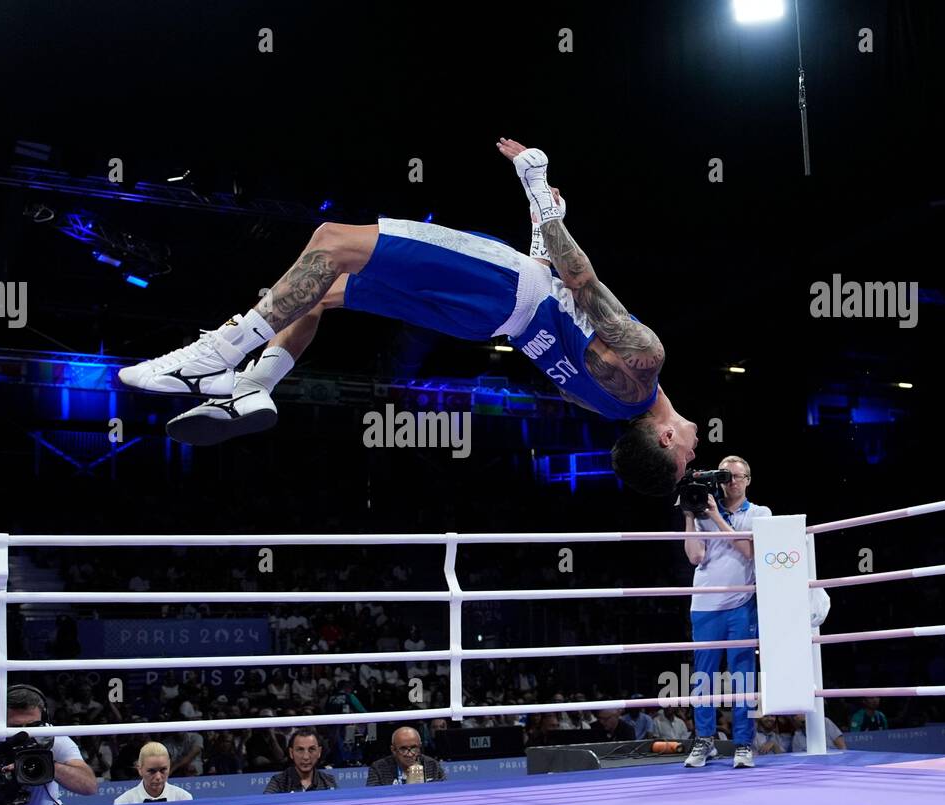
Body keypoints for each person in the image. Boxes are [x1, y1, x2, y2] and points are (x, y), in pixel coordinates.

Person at [117, 139, 698, 495]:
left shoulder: (643, 363)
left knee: (331, 241)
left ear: (665, 436)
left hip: (501, 288)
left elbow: (579, 283)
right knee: (322, 292)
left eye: (685, 456)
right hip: (489, 321)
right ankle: (254, 387)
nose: (696, 449)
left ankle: (215, 357)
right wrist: (540, 223)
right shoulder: (599, 404)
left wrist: (538, 188)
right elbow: (559, 309)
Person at [681, 455, 771, 771]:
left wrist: (718, 518)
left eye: (736, 476)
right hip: (704, 604)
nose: (730, 482)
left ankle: (744, 744)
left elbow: (749, 552)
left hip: (741, 605)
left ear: (748, 479)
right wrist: (690, 515)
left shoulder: (760, 513)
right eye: (724, 476)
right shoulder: (703, 512)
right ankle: (704, 741)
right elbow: (695, 557)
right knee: (703, 678)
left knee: (743, 678)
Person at [115, 741, 193, 804]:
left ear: (169, 767)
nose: (158, 777)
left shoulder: (184, 798)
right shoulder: (123, 803)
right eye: (151, 771)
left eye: (163, 770)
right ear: (140, 769)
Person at [263, 728, 338, 793]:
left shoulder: (328, 781)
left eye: (311, 749)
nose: (306, 757)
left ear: (319, 752)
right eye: (300, 750)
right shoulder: (278, 782)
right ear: (291, 753)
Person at [366, 726, 447, 786]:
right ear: (393, 750)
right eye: (403, 749)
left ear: (420, 747)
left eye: (414, 748)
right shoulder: (378, 768)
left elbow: (444, 793)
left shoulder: (432, 765)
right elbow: (371, 798)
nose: (410, 754)